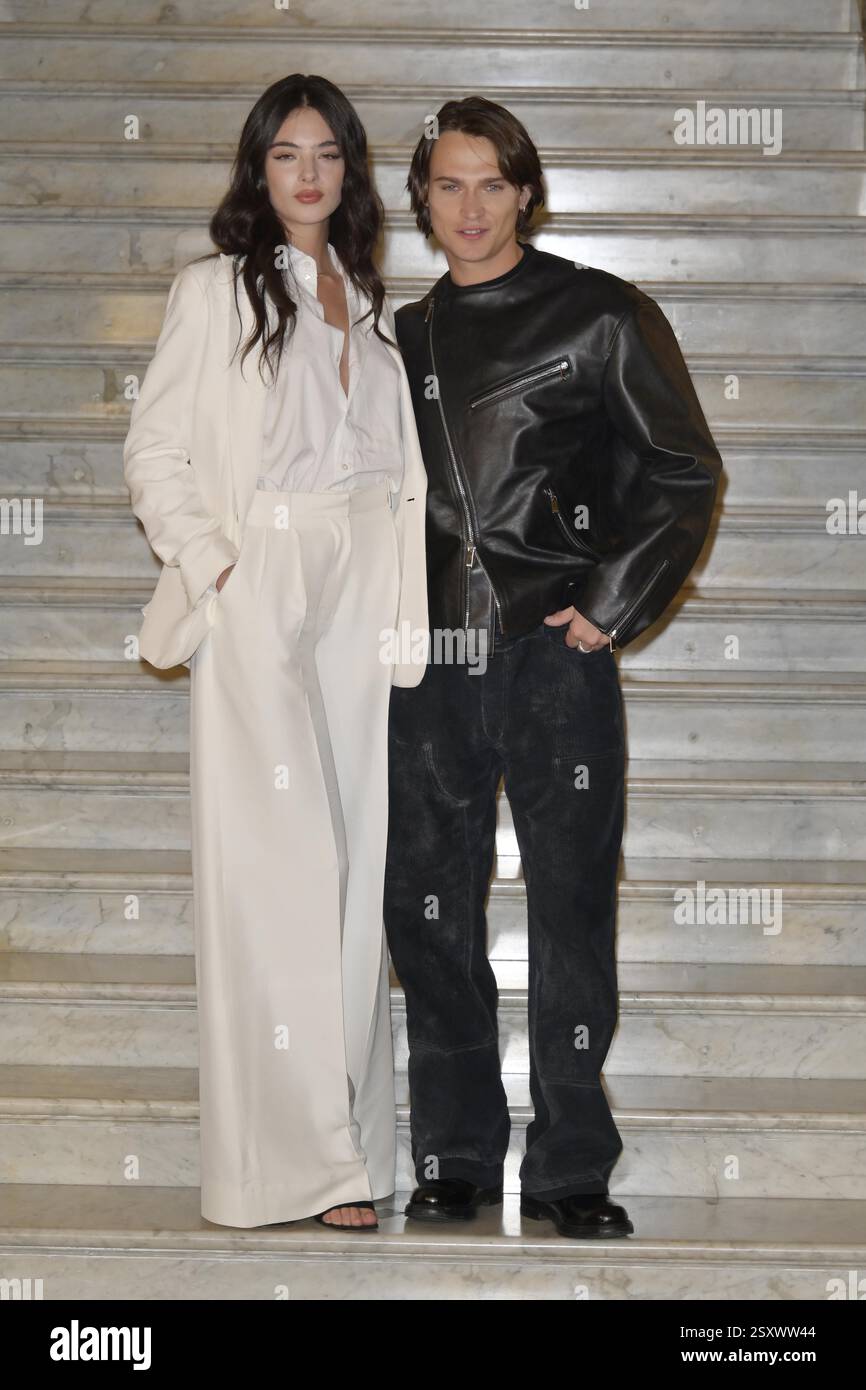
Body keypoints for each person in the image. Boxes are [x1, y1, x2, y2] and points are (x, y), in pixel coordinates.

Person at [384, 96, 722, 1240]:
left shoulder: (601, 313)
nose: (470, 207)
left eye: (491, 182)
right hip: (428, 658)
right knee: (427, 908)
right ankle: (454, 1151)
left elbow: (681, 468)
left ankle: (573, 1161)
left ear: (523, 190)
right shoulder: (402, 337)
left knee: (570, 906)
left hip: (553, 656)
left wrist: (607, 603)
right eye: (447, 184)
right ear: (421, 199)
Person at [123, 74, 428, 1231]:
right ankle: (294, 1167)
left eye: (328, 154)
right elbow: (155, 450)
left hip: (363, 573)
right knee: (277, 866)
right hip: (263, 570)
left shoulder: (372, 299)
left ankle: (353, 1146)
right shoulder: (212, 292)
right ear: (258, 168)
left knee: (351, 863)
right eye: (286, 153)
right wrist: (217, 565)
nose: (308, 173)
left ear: (350, 171)